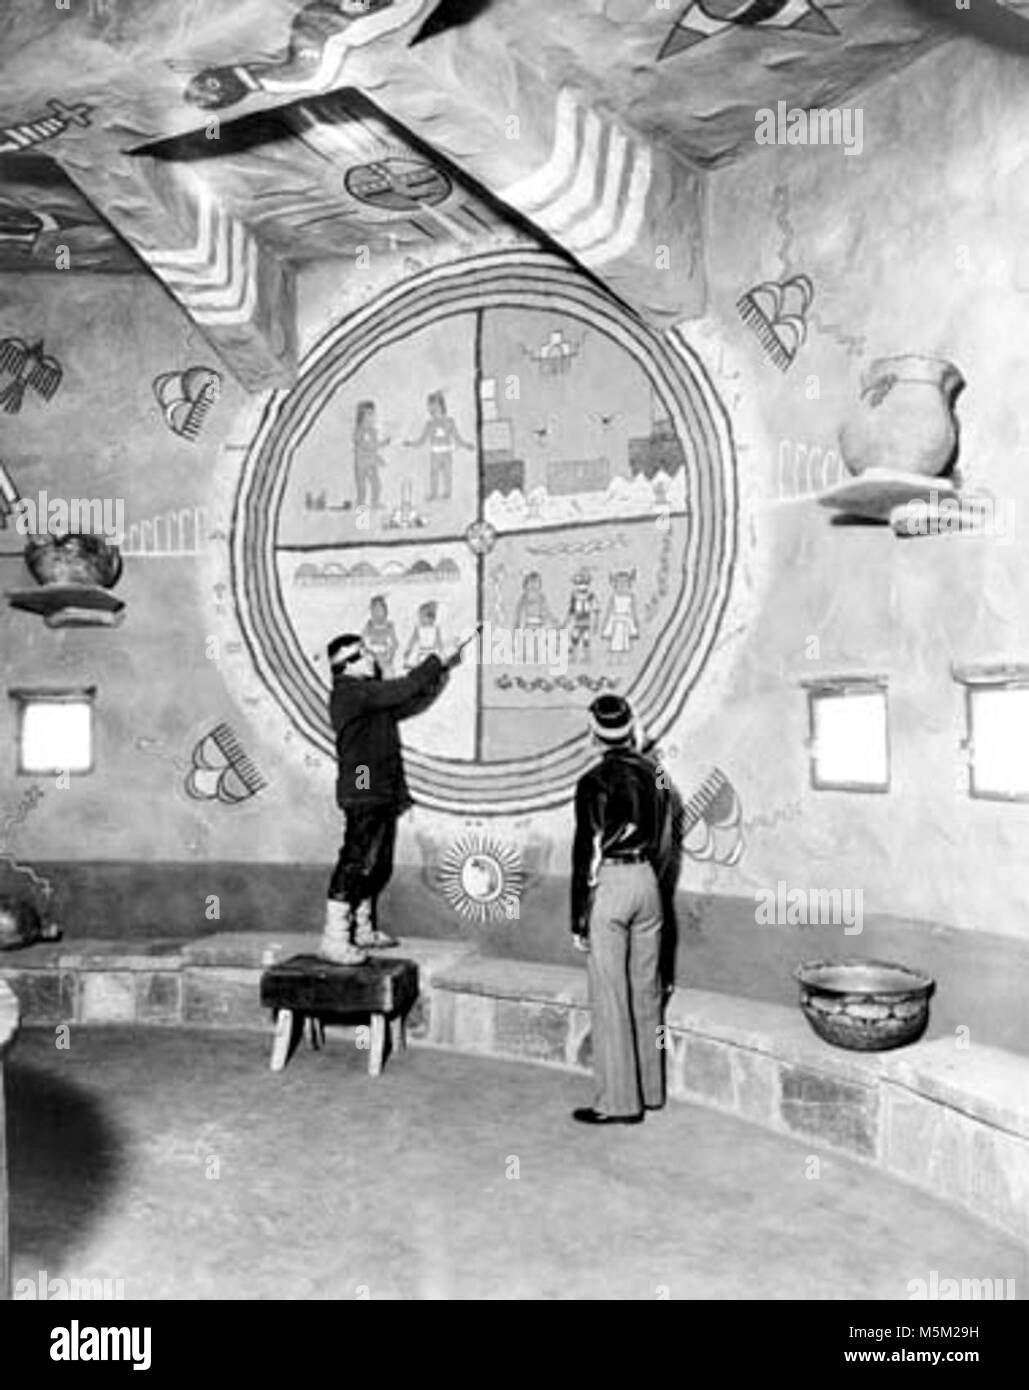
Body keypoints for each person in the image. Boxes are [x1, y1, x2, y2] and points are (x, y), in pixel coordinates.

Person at [321, 627, 468, 964]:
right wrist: (436, 658)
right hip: (364, 788)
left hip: (376, 789)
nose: (372, 656)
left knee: (376, 862)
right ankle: (334, 939)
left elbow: (410, 696)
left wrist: (440, 669)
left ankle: (360, 929)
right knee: (358, 858)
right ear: (347, 664)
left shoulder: (368, 695)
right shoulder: (352, 692)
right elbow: (405, 688)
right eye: (362, 653)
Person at [569, 694, 674, 1124]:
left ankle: (617, 1104)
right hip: (649, 883)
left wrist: (579, 916)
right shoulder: (659, 774)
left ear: (594, 732)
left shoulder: (592, 780)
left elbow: (586, 852)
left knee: (610, 996)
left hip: (611, 885)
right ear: (631, 726)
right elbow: (668, 831)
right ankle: (651, 1091)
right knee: (646, 991)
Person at [404, 390, 474, 502]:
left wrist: (466, 445)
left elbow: (457, 438)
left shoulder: (450, 421)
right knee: (434, 474)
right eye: (430, 405)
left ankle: (447, 493)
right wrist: (410, 444)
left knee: (447, 474)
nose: (431, 408)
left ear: (441, 405)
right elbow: (421, 440)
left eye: (434, 404)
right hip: (435, 454)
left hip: (446, 454)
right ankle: (434, 493)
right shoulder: (429, 424)